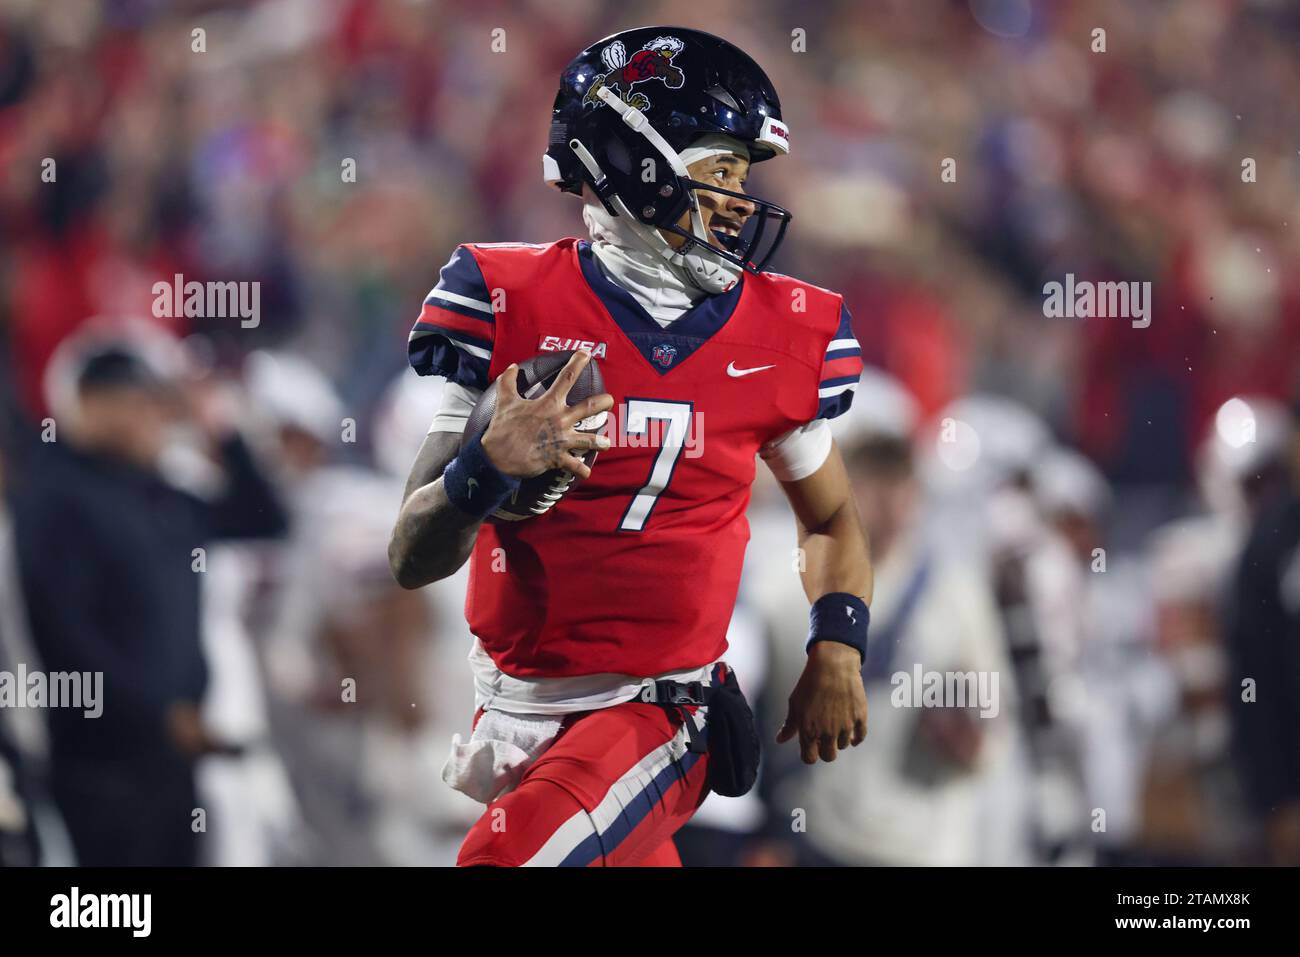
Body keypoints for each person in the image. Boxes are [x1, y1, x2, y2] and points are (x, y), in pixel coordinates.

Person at [389, 27, 872, 867]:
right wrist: (487, 466)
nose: (736, 197)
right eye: (718, 168)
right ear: (635, 159)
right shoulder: (505, 298)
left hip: (662, 708)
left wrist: (838, 640)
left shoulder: (785, 331)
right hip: (514, 711)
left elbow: (830, 518)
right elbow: (411, 552)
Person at [10, 336, 287, 865]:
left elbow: (264, 518)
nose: (160, 417)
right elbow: (64, 635)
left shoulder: (159, 493)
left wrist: (219, 424)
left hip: (173, 758)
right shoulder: (53, 496)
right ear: (92, 402)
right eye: (144, 401)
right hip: (102, 763)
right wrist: (156, 715)